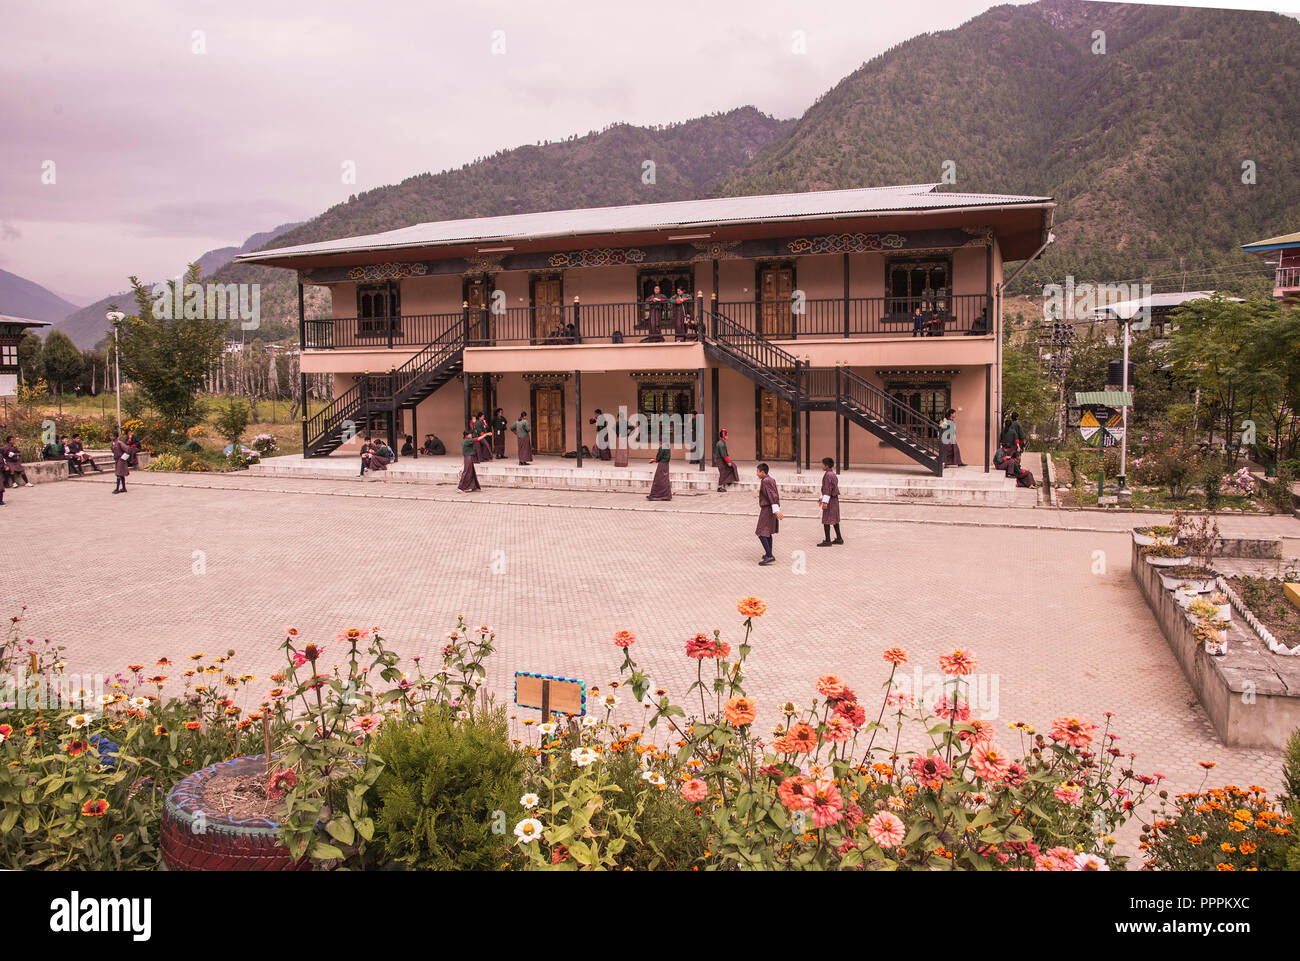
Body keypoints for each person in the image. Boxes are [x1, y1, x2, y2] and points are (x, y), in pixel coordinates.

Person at [755, 463, 781, 566]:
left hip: (767, 509)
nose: (756, 474)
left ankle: (770, 555)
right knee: (768, 532)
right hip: (770, 508)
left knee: (760, 532)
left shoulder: (765, 481)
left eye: (757, 471)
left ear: (762, 472)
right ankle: (768, 553)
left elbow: (772, 496)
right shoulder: (770, 479)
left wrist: (776, 510)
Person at [817, 457, 843, 546]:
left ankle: (827, 540)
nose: (821, 466)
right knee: (835, 519)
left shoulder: (828, 475)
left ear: (826, 465)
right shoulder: (832, 474)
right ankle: (839, 538)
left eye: (822, 464)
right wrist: (822, 497)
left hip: (830, 500)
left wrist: (825, 502)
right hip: (834, 499)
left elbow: (827, 489)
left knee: (826, 519)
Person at [110, 429, 130, 494]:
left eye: (112, 436)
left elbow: (127, 450)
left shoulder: (119, 443)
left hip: (120, 460)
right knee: (121, 474)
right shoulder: (113, 444)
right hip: (117, 460)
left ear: (115, 437)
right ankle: (124, 488)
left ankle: (117, 489)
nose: (111, 437)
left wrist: (123, 458)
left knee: (118, 474)